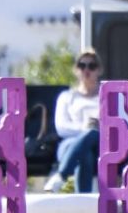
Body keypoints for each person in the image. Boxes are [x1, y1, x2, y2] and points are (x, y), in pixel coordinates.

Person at [44, 48, 102, 193]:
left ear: (99, 70)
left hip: (100, 144)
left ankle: (61, 175)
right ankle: (84, 202)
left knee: (93, 134)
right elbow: (62, 127)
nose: (86, 70)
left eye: (92, 66)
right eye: (82, 66)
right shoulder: (67, 96)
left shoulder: (106, 95)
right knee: (85, 153)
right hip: (70, 143)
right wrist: (85, 129)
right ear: (76, 69)